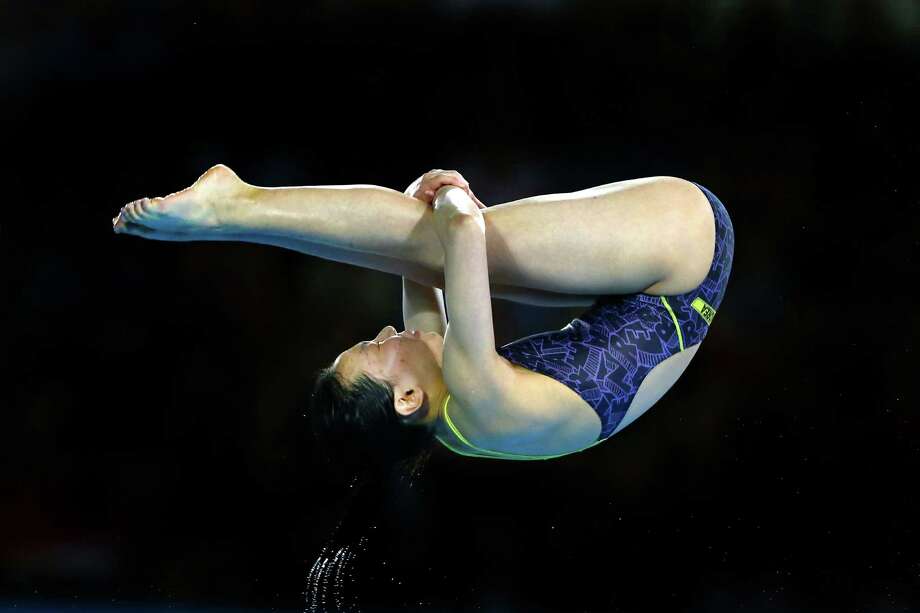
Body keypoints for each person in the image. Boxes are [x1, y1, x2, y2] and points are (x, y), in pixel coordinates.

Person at [112, 165, 733, 470]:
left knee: (425, 250)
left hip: (655, 288)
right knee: (438, 240)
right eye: (375, 348)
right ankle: (233, 207)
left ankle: (233, 215)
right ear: (405, 397)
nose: (388, 331)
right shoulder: (480, 395)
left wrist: (418, 209)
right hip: (684, 250)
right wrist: (447, 189)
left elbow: (426, 282)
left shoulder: (449, 419)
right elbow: (461, 228)